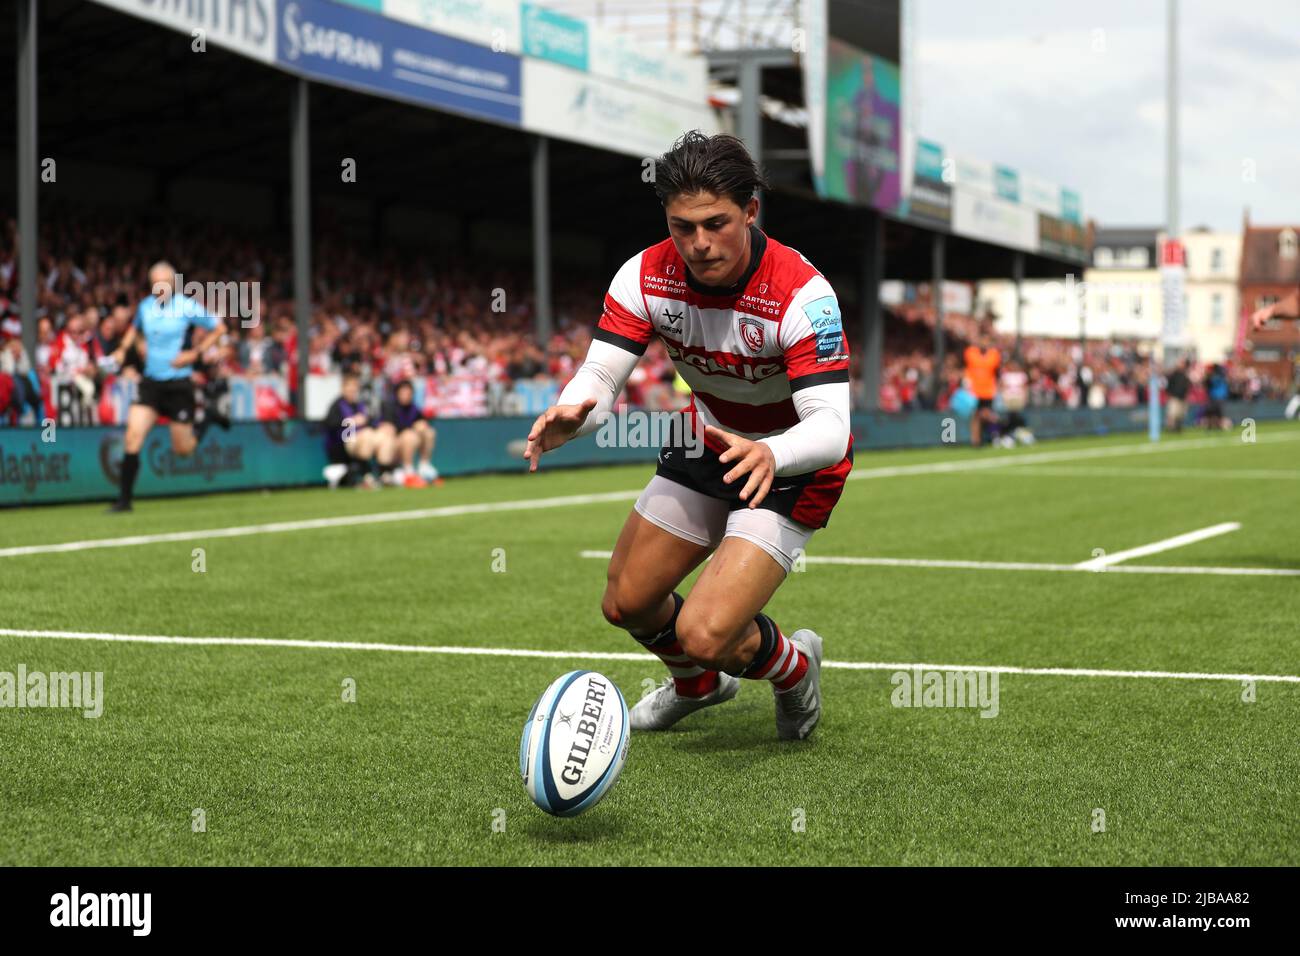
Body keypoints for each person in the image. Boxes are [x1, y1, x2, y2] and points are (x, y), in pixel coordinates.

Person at [522, 131, 853, 741]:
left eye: (715, 223)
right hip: (710, 440)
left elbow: (832, 428)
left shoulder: (804, 294)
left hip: (793, 460)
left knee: (707, 633)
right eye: (682, 227)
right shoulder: (645, 274)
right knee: (625, 603)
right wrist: (574, 413)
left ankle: (795, 667)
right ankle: (697, 685)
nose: (699, 244)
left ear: (751, 211)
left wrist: (772, 452)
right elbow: (600, 375)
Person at [106, 261, 227, 512]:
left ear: (173, 284)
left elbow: (219, 328)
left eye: (165, 283)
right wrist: (122, 349)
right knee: (132, 437)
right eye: (155, 283)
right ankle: (124, 501)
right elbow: (134, 330)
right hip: (151, 383)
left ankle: (208, 420)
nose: (160, 288)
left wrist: (195, 353)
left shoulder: (186, 306)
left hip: (178, 384)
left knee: (183, 450)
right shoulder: (145, 307)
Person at [377, 379, 440, 488]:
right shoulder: (389, 406)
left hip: (410, 442)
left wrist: (420, 427)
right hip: (393, 448)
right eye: (403, 393)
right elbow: (389, 429)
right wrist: (411, 428)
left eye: (408, 393)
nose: (406, 396)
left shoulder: (414, 408)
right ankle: (408, 471)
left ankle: (424, 467)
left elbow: (422, 424)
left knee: (429, 432)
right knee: (409, 436)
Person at [322, 372, 381, 489]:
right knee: (364, 438)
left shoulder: (360, 405)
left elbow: (371, 421)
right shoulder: (337, 405)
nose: (353, 390)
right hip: (340, 446)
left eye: (355, 388)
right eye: (350, 387)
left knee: (374, 437)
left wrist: (366, 422)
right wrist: (351, 421)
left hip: (360, 441)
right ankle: (366, 474)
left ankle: (377, 473)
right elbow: (330, 424)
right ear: (343, 388)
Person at [963, 331, 1001, 446]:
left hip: (988, 390)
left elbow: (997, 372)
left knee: (986, 414)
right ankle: (975, 440)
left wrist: (998, 386)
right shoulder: (970, 352)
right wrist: (966, 383)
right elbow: (967, 369)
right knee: (975, 416)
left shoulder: (994, 354)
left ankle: (996, 434)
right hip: (974, 390)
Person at [1165, 358, 1191, 433]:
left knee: (1180, 414)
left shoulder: (1185, 374)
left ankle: (1178, 428)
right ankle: (1171, 428)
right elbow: (1169, 384)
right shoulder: (1174, 374)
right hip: (1174, 397)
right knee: (1172, 414)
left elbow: (1187, 386)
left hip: (1182, 397)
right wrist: (1169, 394)